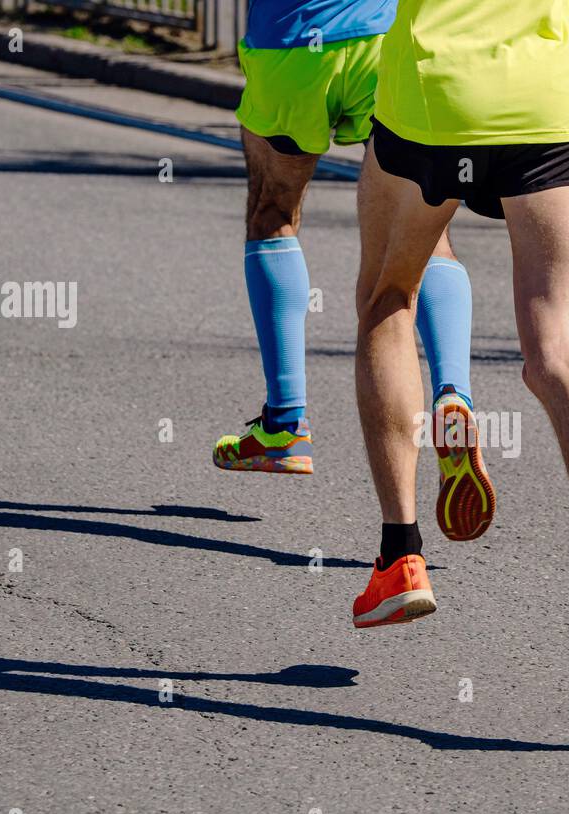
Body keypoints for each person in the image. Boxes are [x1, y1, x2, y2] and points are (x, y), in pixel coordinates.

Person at [349, 0, 569, 732]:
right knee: (559, 351)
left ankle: (400, 556)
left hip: (435, 97)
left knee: (388, 297)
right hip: (545, 100)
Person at [212, 0, 495, 544]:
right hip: (384, 44)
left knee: (272, 214)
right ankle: (452, 394)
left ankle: (285, 423)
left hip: (289, 44)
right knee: (426, 232)